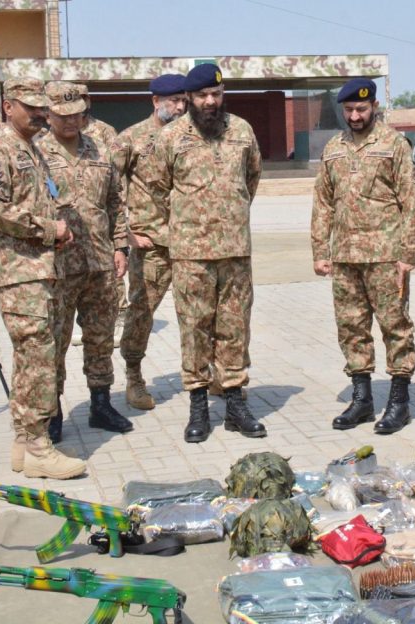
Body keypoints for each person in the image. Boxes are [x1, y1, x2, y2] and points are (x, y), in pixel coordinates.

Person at [0, 77, 85, 479]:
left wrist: (60, 229)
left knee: (33, 357)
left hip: (41, 271)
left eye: (42, 108)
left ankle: (24, 440)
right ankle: (38, 446)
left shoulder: (31, 150)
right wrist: (47, 229)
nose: (40, 114)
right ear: (8, 107)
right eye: (30, 107)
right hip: (18, 273)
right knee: (37, 358)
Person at [148, 63, 264, 443]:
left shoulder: (242, 131)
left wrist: (227, 215)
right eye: (201, 96)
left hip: (234, 251)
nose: (210, 102)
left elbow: (252, 178)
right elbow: (156, 189)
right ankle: (198, 406)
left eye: (216, 94)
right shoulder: (171, 138)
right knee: (194, 329)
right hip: (190, 255)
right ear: (189, 99)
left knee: (234, 328)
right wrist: (184, 228)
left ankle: (234, 405)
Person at [311, 78, 415, 434]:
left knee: (395, 327)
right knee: (351, 328)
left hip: (386, 256)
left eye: (361, 109)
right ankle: (362, 400)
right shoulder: (333, 147)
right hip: (345, 256)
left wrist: (409, 253)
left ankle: (399, 401)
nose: (355, 116)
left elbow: (410, 199)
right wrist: (320, 249)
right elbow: (323, 202)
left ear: (374, 105)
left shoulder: (393, 144)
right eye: (348, 110)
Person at [38, 81, 132, 441]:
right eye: (62, 116)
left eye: (77, 114)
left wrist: (120, 247)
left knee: (100, 336)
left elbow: (114, 201)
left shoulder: (98, 148)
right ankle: (53, 411)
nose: (71, 122)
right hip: (58, 265)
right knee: (56, 340)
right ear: (48, 114)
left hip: (99, 262)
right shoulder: (36, 152)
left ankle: (101, 403)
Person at [113, 73, 187, 411]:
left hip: (191, 241)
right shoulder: (131, 139)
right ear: (155, 101)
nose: (180, 106)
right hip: (151, 242)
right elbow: (110, 191)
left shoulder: (193, 136)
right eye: (173, 101)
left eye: (183, 100)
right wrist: (125, 234)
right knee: (142, 312)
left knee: (201, 313)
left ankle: (207, 371)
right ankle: (134, 375)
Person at [75, 82, 126, 347]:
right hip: (76, 218)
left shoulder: (104, 131)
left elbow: (116, 174)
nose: (79, 103)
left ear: (89, 100)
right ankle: (83, 323)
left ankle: (119, 318)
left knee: (112, 271)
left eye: (83, 97)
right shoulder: (58, 132)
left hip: (102, 212)